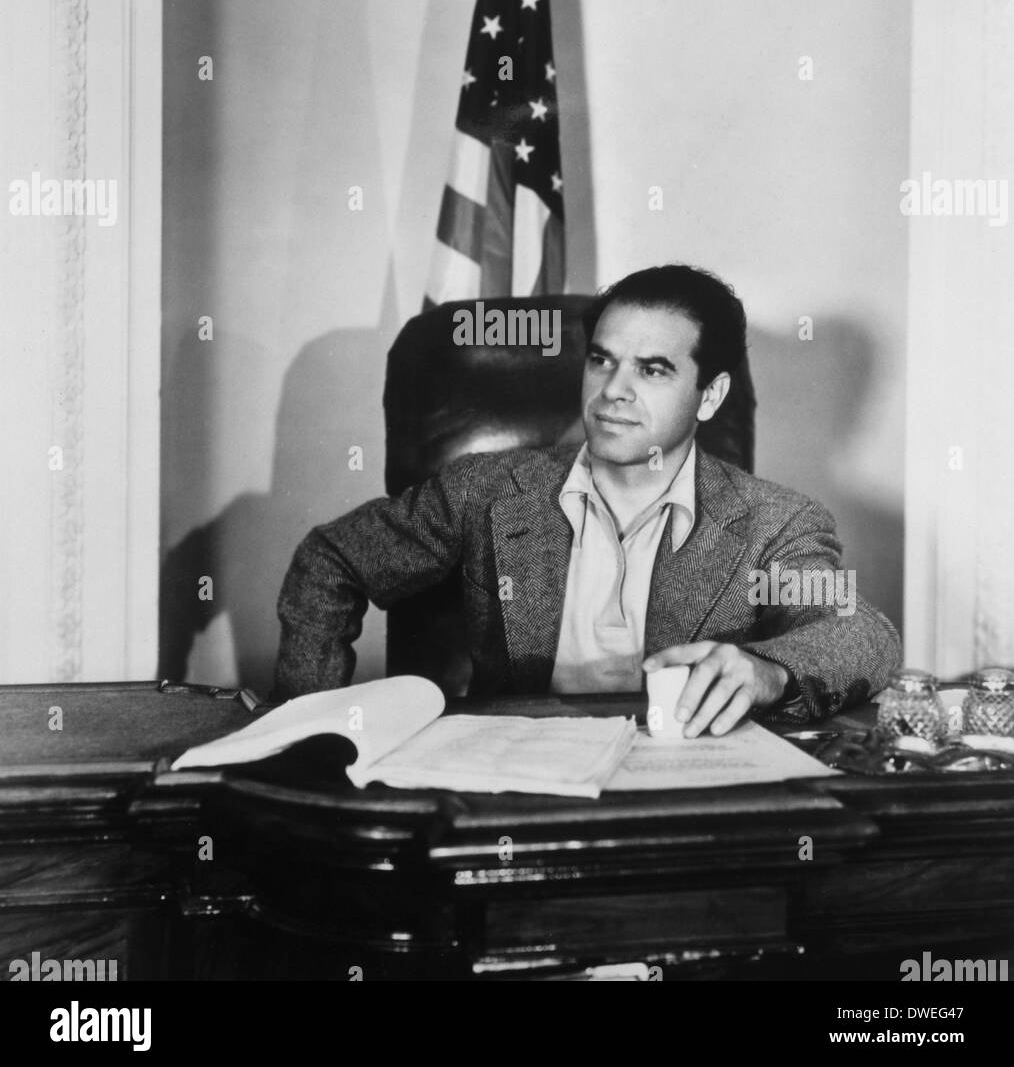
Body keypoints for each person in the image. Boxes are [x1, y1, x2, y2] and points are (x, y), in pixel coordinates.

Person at [273, 264, 901, 734]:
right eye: (602, 361)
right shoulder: (487, 492)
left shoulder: (771, 525)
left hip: (675, 801)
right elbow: (332, 558)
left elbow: (863, 633)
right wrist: (306, 734)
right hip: (519, 794)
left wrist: (769, 671)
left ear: (710, 397)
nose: (613, 392)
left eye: (653, 369)